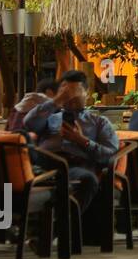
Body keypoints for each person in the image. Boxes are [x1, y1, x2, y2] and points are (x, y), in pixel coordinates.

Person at [23, 70, 120, 242]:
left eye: (73, 92)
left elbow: (109, 154)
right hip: (45, 165)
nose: (69, 97)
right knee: (24, 144)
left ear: (86, 93)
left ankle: (49, 235)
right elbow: (28, 123)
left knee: (89, 180)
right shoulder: (50, 118)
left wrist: (82, 141)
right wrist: (57, 101)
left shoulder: (98, 122)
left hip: (73, 168)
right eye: (64, 92)